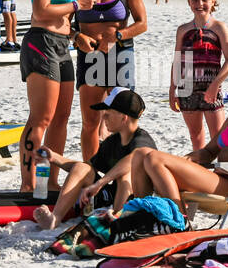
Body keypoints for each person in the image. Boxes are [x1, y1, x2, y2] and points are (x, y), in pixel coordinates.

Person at [130, 65, 228, 213]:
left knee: (154, 159)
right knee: (140, 154)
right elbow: (210, 151)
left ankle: (178, 221)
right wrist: (194, 157)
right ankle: (143, 216)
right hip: (218, 178)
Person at [19, 0, 95, 190]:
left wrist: (75, 36)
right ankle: (29, 185)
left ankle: (48, 182)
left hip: (63, 45)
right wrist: (77, 4)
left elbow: (61, 18)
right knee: (41, 119)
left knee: (61, 119)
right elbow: (40, 12)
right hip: (41, 43)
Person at [33, 87, 155, 230]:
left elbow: (133, 161)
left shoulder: (141, 140)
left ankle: (117, 220)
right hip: (109, 198)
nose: (103, 118)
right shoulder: (113, 141)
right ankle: (55, 218)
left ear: (123, 118)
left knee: (126, 174)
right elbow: (86, 169)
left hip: (136, 203)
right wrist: (54, 157)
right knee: (83, 168)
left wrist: (102, 182)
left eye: (108, 114)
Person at [73, 0, 147, 161]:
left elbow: (142, 23)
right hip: (90, 57)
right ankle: (90, 171)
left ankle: (124, 172)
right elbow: (62, 23)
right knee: (91, 122)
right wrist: (77, 37)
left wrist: (118, 35)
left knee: (125, 120)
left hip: (121, 54)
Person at [171, 0, 228, 150]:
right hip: (186, 89)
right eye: (195, 0)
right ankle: (200, 173)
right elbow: (177, 61)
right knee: (195, 136)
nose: (200, 4)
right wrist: (172, 90)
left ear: (213, 1)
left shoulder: (219, 28)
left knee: (218, 139)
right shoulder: (183, 30)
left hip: (211, 88)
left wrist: (215, 85)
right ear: (189, 2)